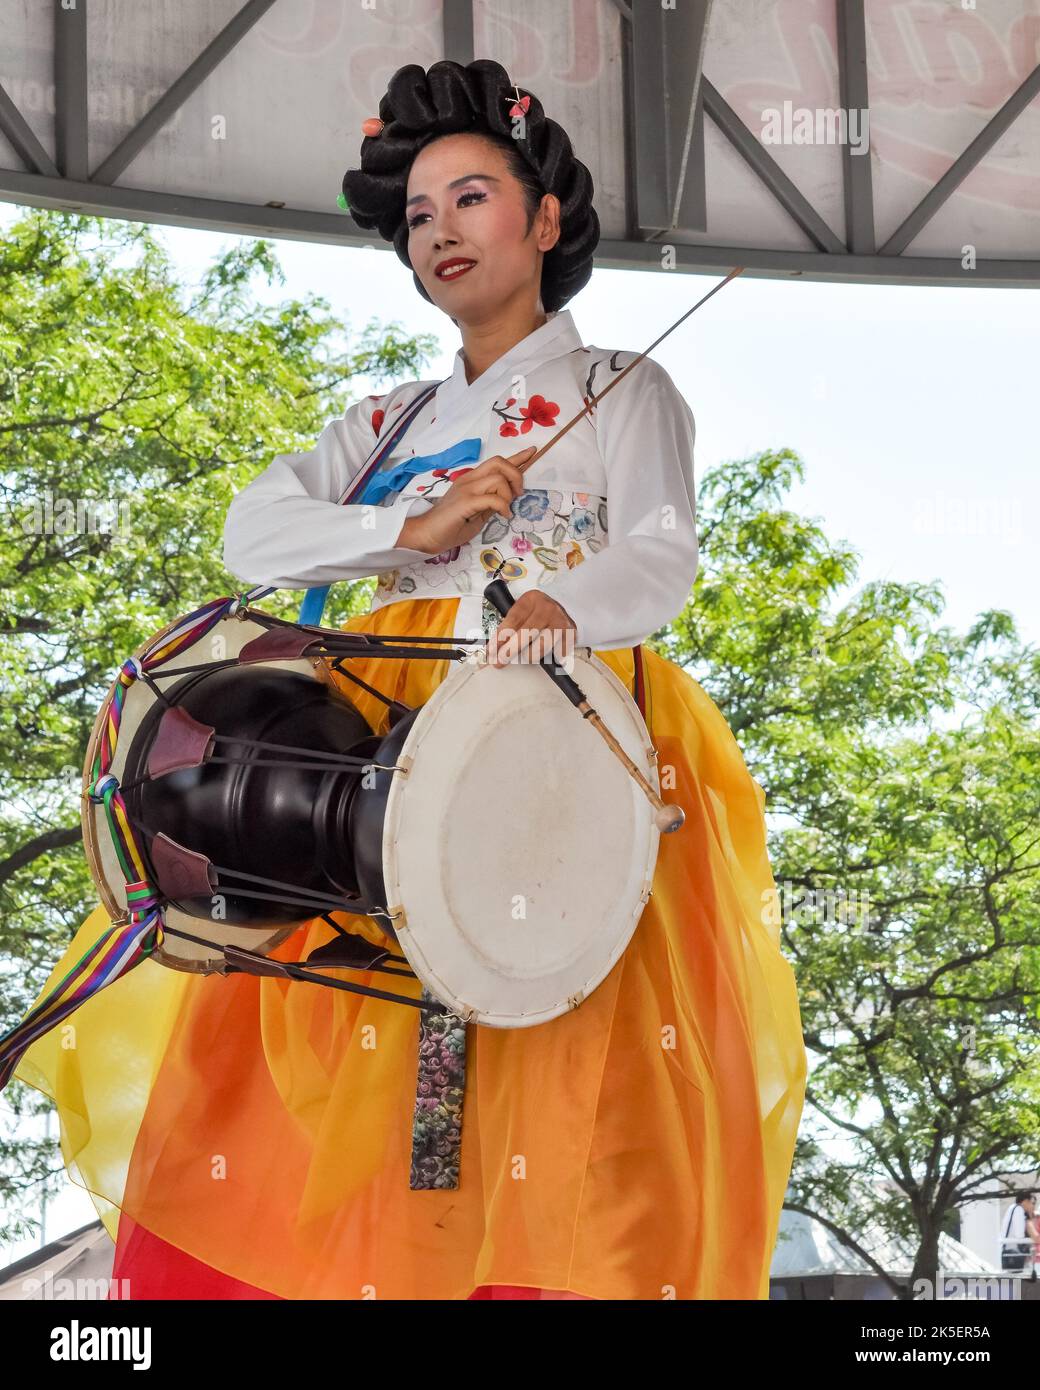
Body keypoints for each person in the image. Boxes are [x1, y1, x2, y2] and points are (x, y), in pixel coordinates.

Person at [11, 58, 806, 1300]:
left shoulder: (621, 390)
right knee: (350, 1043)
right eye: (419, 214)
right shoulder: (382, 425)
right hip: (357, 750)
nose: (439, 230)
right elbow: (250, 535)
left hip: (548, 724)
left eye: (472, 197)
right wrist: (407, 532)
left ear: (545, 220)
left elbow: (660, 553)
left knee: (536, 1046)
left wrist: (562, 602)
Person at [1000, 1191, 1037, 1273]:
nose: (1033, 1206)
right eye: (1032, 1203)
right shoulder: (1019, 1210)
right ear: (1025, 1201)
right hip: (1014, 1254)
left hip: (1009, 1252)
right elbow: (1019, 1235)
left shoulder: (1012, 1208)